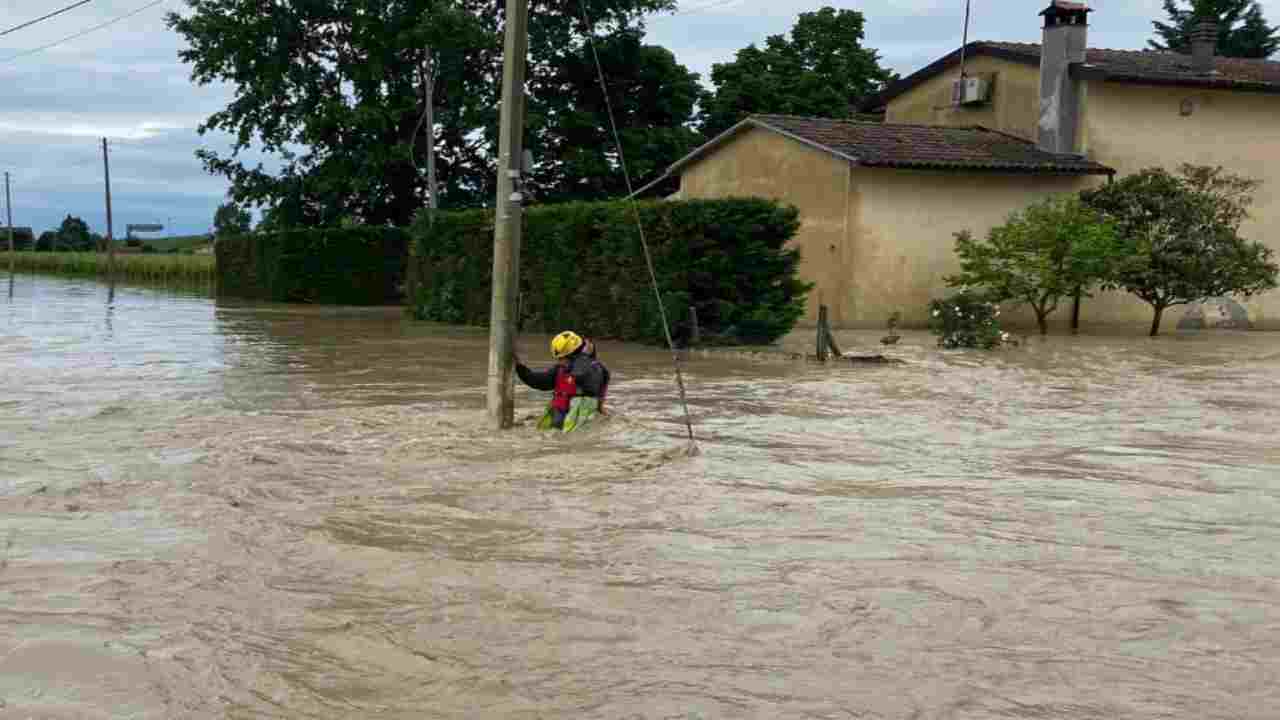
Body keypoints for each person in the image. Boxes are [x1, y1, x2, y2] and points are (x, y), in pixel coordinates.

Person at [514, 330, 611, 432]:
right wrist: (520, 367)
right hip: (559, 414)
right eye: (559, 359)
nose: (559, 362)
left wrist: (583, 357)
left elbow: (584, 377)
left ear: (574, 356)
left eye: (562, 358)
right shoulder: (560, 369)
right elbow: (539, 381)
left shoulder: (593, 368)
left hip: (579, 420)